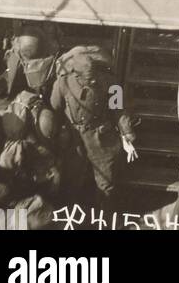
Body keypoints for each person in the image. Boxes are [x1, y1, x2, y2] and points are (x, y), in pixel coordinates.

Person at [49, 44, 137, 201]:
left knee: (106, 183)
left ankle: (103, 220)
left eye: (94, 75)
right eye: (88, 78)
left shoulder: (110, 83)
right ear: (76, 75)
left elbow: (119, 110)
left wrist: (127, 133)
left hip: (99, 137)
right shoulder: (63, 83)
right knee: (72, 178)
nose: (94, 79)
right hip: (75, 138)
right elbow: (55, 106)